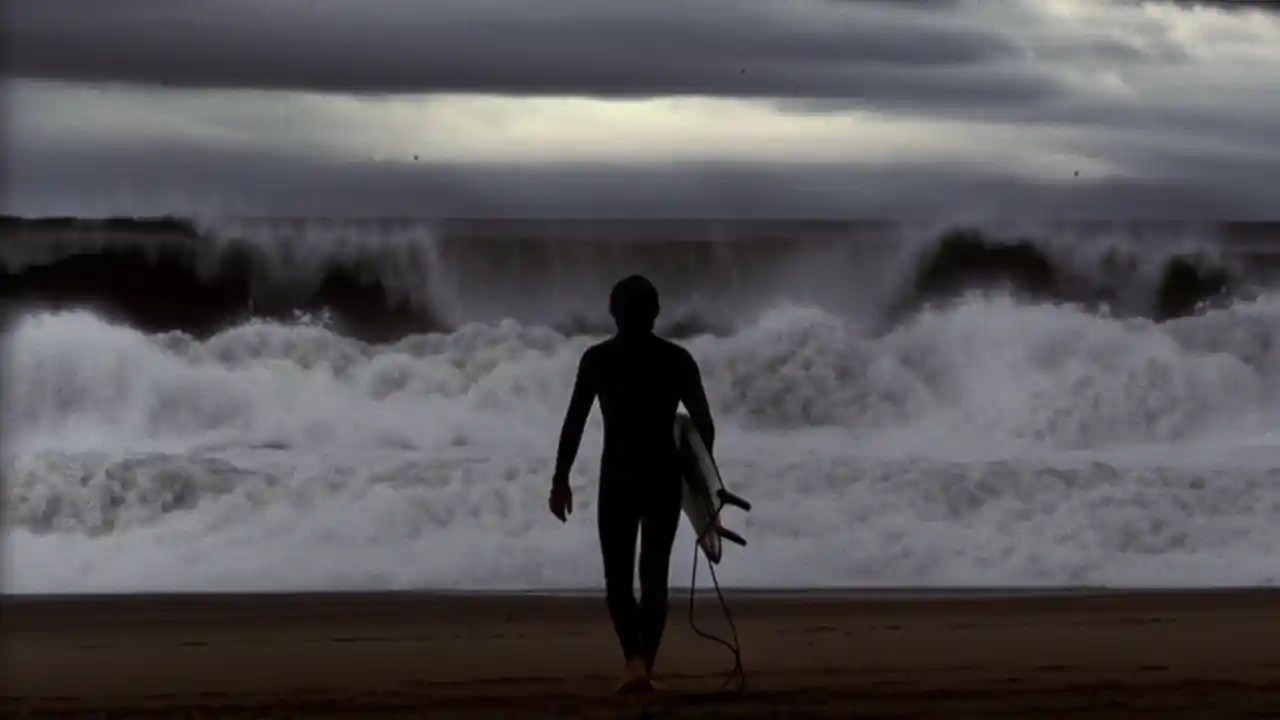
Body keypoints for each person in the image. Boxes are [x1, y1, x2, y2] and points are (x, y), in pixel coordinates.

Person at [550, 274, 716, 693]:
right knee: (654, 577)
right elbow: (705, 427)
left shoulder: (597, 360)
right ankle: (647, 664)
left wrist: (561, 479)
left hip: (618, 479)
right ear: (656, 313)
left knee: (619, 581)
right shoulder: (678, 360)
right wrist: (696, 479)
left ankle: (634, 663)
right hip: (663, 477)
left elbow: (574, 424)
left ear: (612, 310)